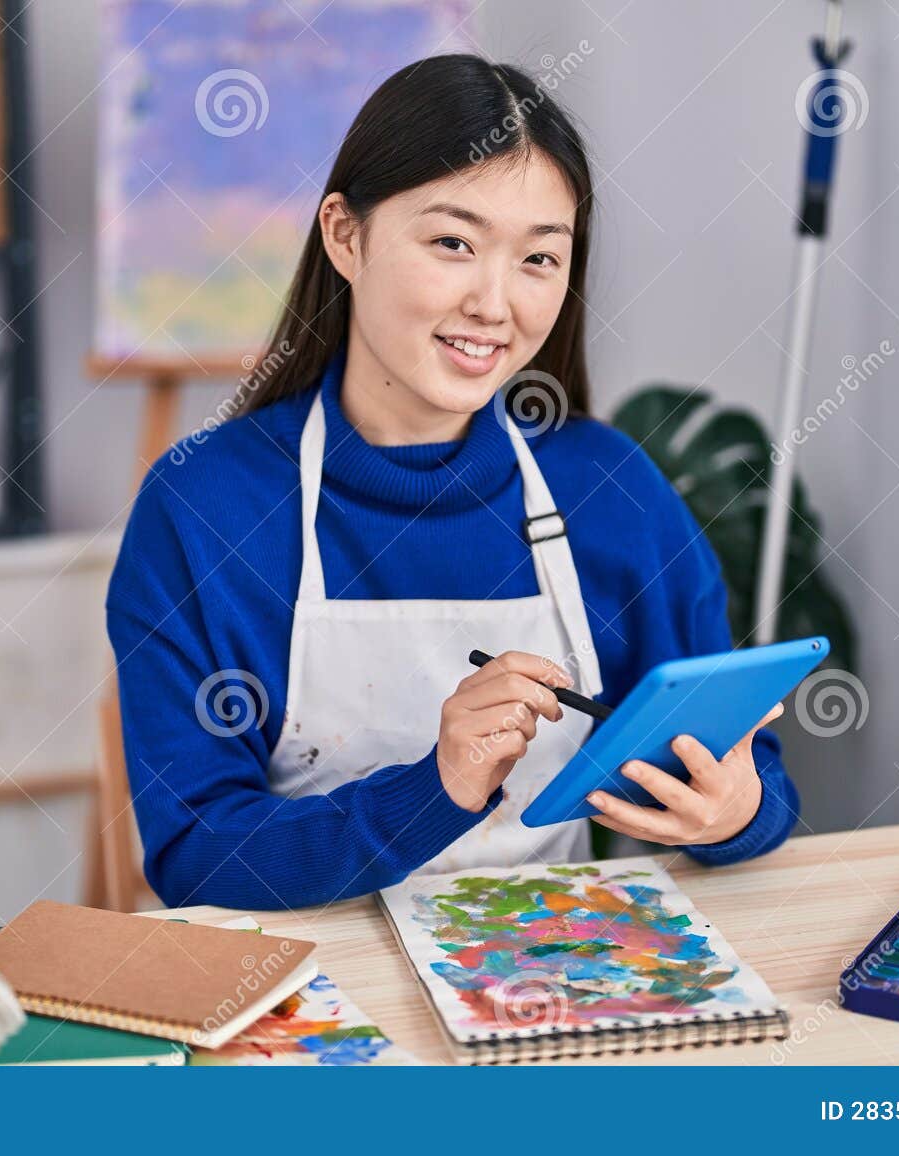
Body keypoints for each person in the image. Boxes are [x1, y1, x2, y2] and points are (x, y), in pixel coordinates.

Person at [107, 54, 798, 910]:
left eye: (538, 258)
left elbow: (743, 770)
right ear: (346, 236)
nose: (493, 305)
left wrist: (736, 811)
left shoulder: (608, 488)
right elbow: (196, 856)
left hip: (553, 968)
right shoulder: (204, 509)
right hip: (306, 975)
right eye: (453, 244)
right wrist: (435, 789)